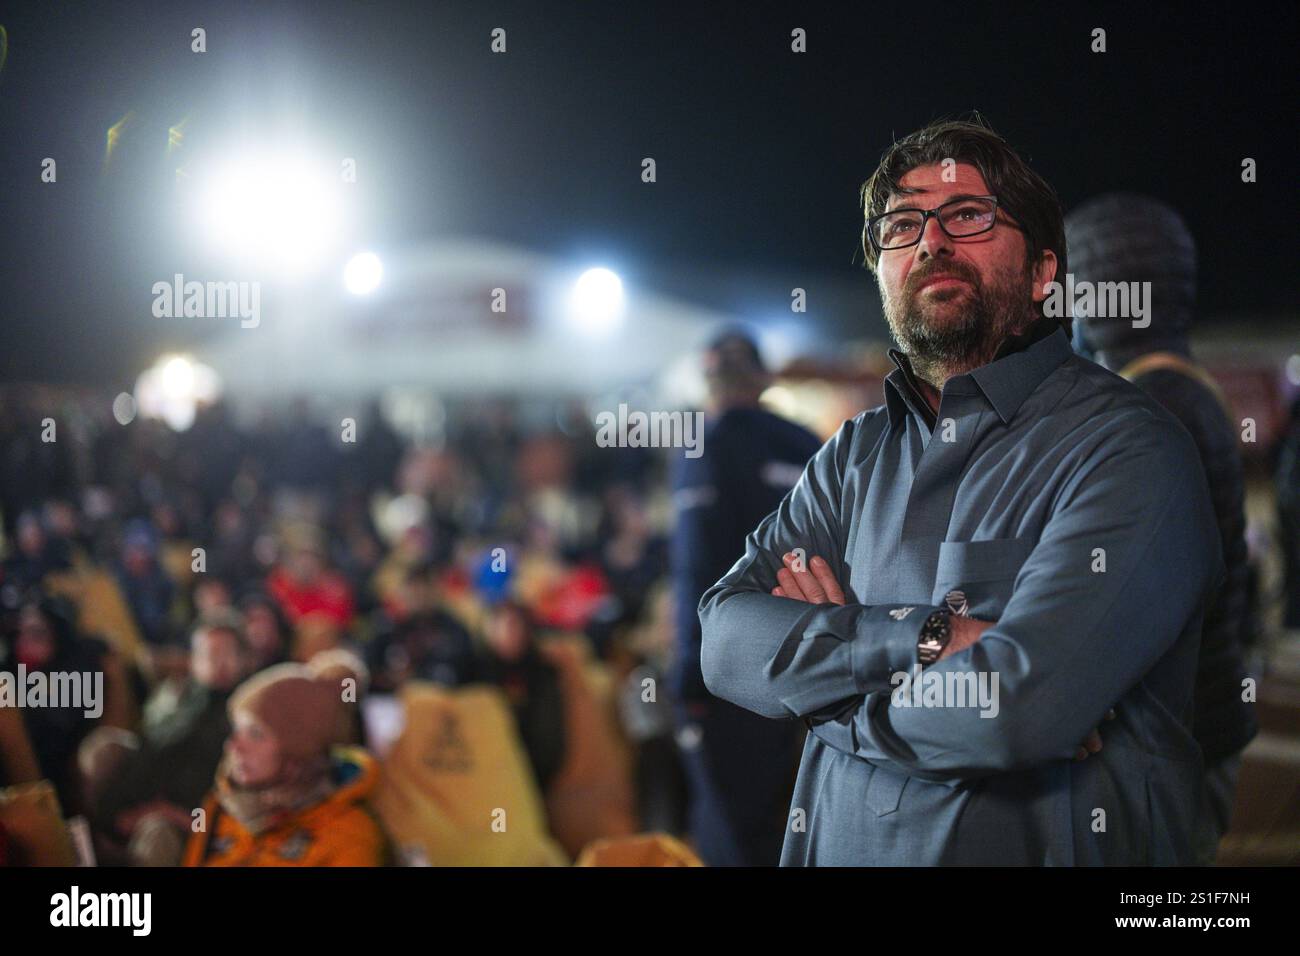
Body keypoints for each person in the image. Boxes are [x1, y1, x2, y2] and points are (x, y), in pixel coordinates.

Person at [700, 117, 1223, 865]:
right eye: (902, 224)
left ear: (1042, 273)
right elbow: (723, 639)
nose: (931, 242)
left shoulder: (1128, 448)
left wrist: (816, 698)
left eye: (968, 215)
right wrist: (925, 638)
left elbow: (1014, 711)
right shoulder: (854, 456)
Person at [1066, 193, 1259, 863]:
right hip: (1195, 723)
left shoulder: (1150, 408)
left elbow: (1124, 602)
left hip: (1169, 739)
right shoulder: (1183, 388)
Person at [670, 327, 822, 865]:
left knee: (730, 832)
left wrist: (688, 674)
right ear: (761, 378)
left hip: (727, 670)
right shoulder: (806, 444)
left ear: (708, 380)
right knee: (792, 824)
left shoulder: (705, 444)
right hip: (808, 659)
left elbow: (698, 565)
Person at [82, 612, 254, 863]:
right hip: (148, 801)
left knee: (157, 833)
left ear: (244, 659)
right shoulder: (178, 698)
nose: (217, 663)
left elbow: (228, 806)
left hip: (195, 823)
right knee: (103, 746)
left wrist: (170, 813)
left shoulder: (247, 714)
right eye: (208, 654)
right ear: (193, 661)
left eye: (226, 653)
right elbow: (150, 751)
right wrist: (124, 813)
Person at [183, 663, 385, 866]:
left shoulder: (349, 837)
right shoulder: (220, 808)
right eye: (237, 730)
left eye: (255, 734)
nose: (234, 746)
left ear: (297, 752)